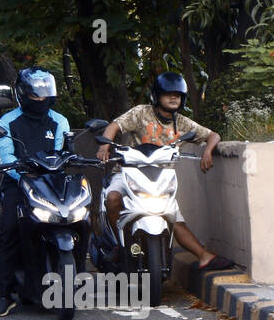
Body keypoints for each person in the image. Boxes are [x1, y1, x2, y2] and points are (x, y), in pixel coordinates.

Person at [95, 72, 236, 271]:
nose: (173, 98)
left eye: (177, 95)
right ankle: (120, 243)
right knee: (113, 198)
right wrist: (105, 146)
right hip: (129, 173)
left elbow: (213, 135)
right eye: (168, 94)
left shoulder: (184, 123)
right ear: (156, 96)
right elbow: (115, 126)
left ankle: (204, 256)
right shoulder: (141, 113)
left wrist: (208, 151)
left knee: (173, 218)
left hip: (160, 180)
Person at [0, 68, 71, 316]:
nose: (40, 100)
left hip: (51, 182)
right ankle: (6, 294)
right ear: (23, 95)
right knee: (9, 229)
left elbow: (62, 152)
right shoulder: (6, 123)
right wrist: (23, 177)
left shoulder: (60, 121)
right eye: (35, 96)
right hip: (18, 184)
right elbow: (6, 157)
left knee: (75, 218)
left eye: (44, 95)